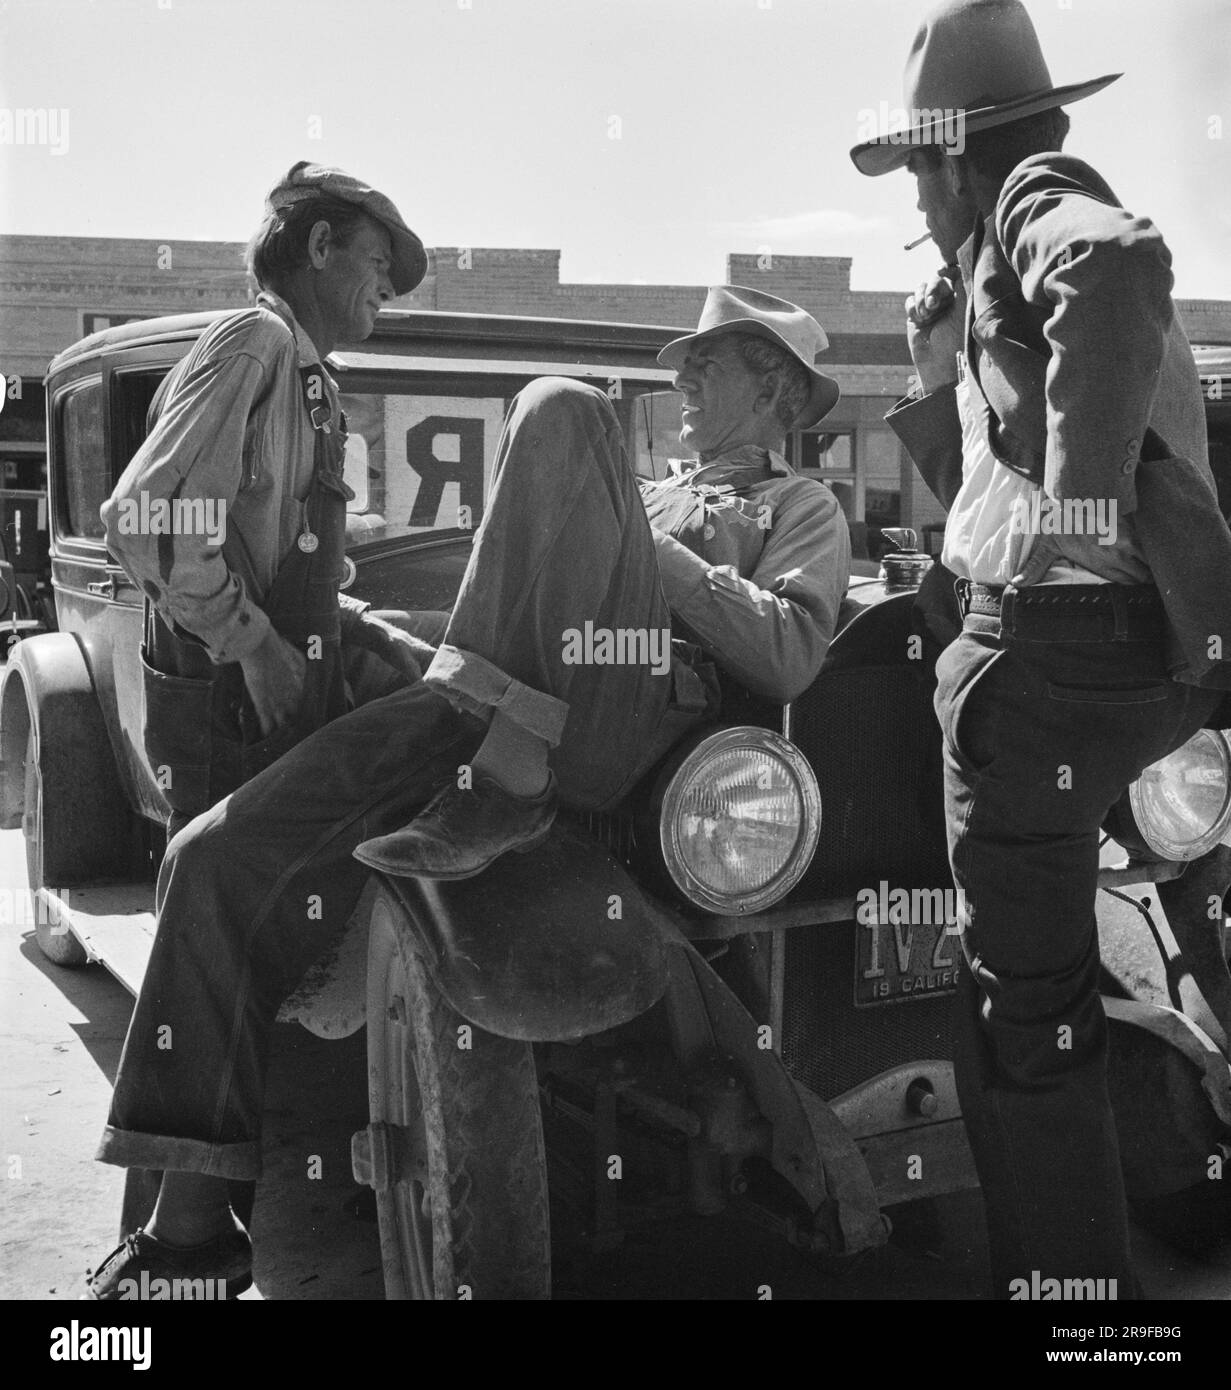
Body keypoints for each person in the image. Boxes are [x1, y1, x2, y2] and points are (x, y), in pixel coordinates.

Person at [85, 284, 851, 1297]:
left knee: (564, 404)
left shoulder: (797, 505)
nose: (681, 380)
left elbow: (793, 650)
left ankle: (496, 748)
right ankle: (187, 1237)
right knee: (214, 854)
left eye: (706, 364)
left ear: (779, 391)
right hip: (500, 708)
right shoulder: (641, 484)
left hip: (623, 721)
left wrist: (646, 549)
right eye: (684, 363)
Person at [851, 0, 1231, 1299]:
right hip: (1131, 662)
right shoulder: (997, 273)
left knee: (1021, 1021)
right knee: (1086, 966)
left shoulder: (1032, 196)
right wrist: (939, 361)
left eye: (914, 167)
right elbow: (984, 493)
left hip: (1043, 663)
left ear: (954, 153)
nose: (916, 194)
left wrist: (1070, 516)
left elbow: (1115, 265)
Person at [103, 160, 434, 840]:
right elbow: (146, 519)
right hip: (228, 708)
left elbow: (264, 553)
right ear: (319, 248)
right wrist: (253, 646)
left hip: (256, 710)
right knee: (221, 908)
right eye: (375, 262)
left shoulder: (306, 376)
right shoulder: (258, 342)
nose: (387, 290)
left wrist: (356, 625)